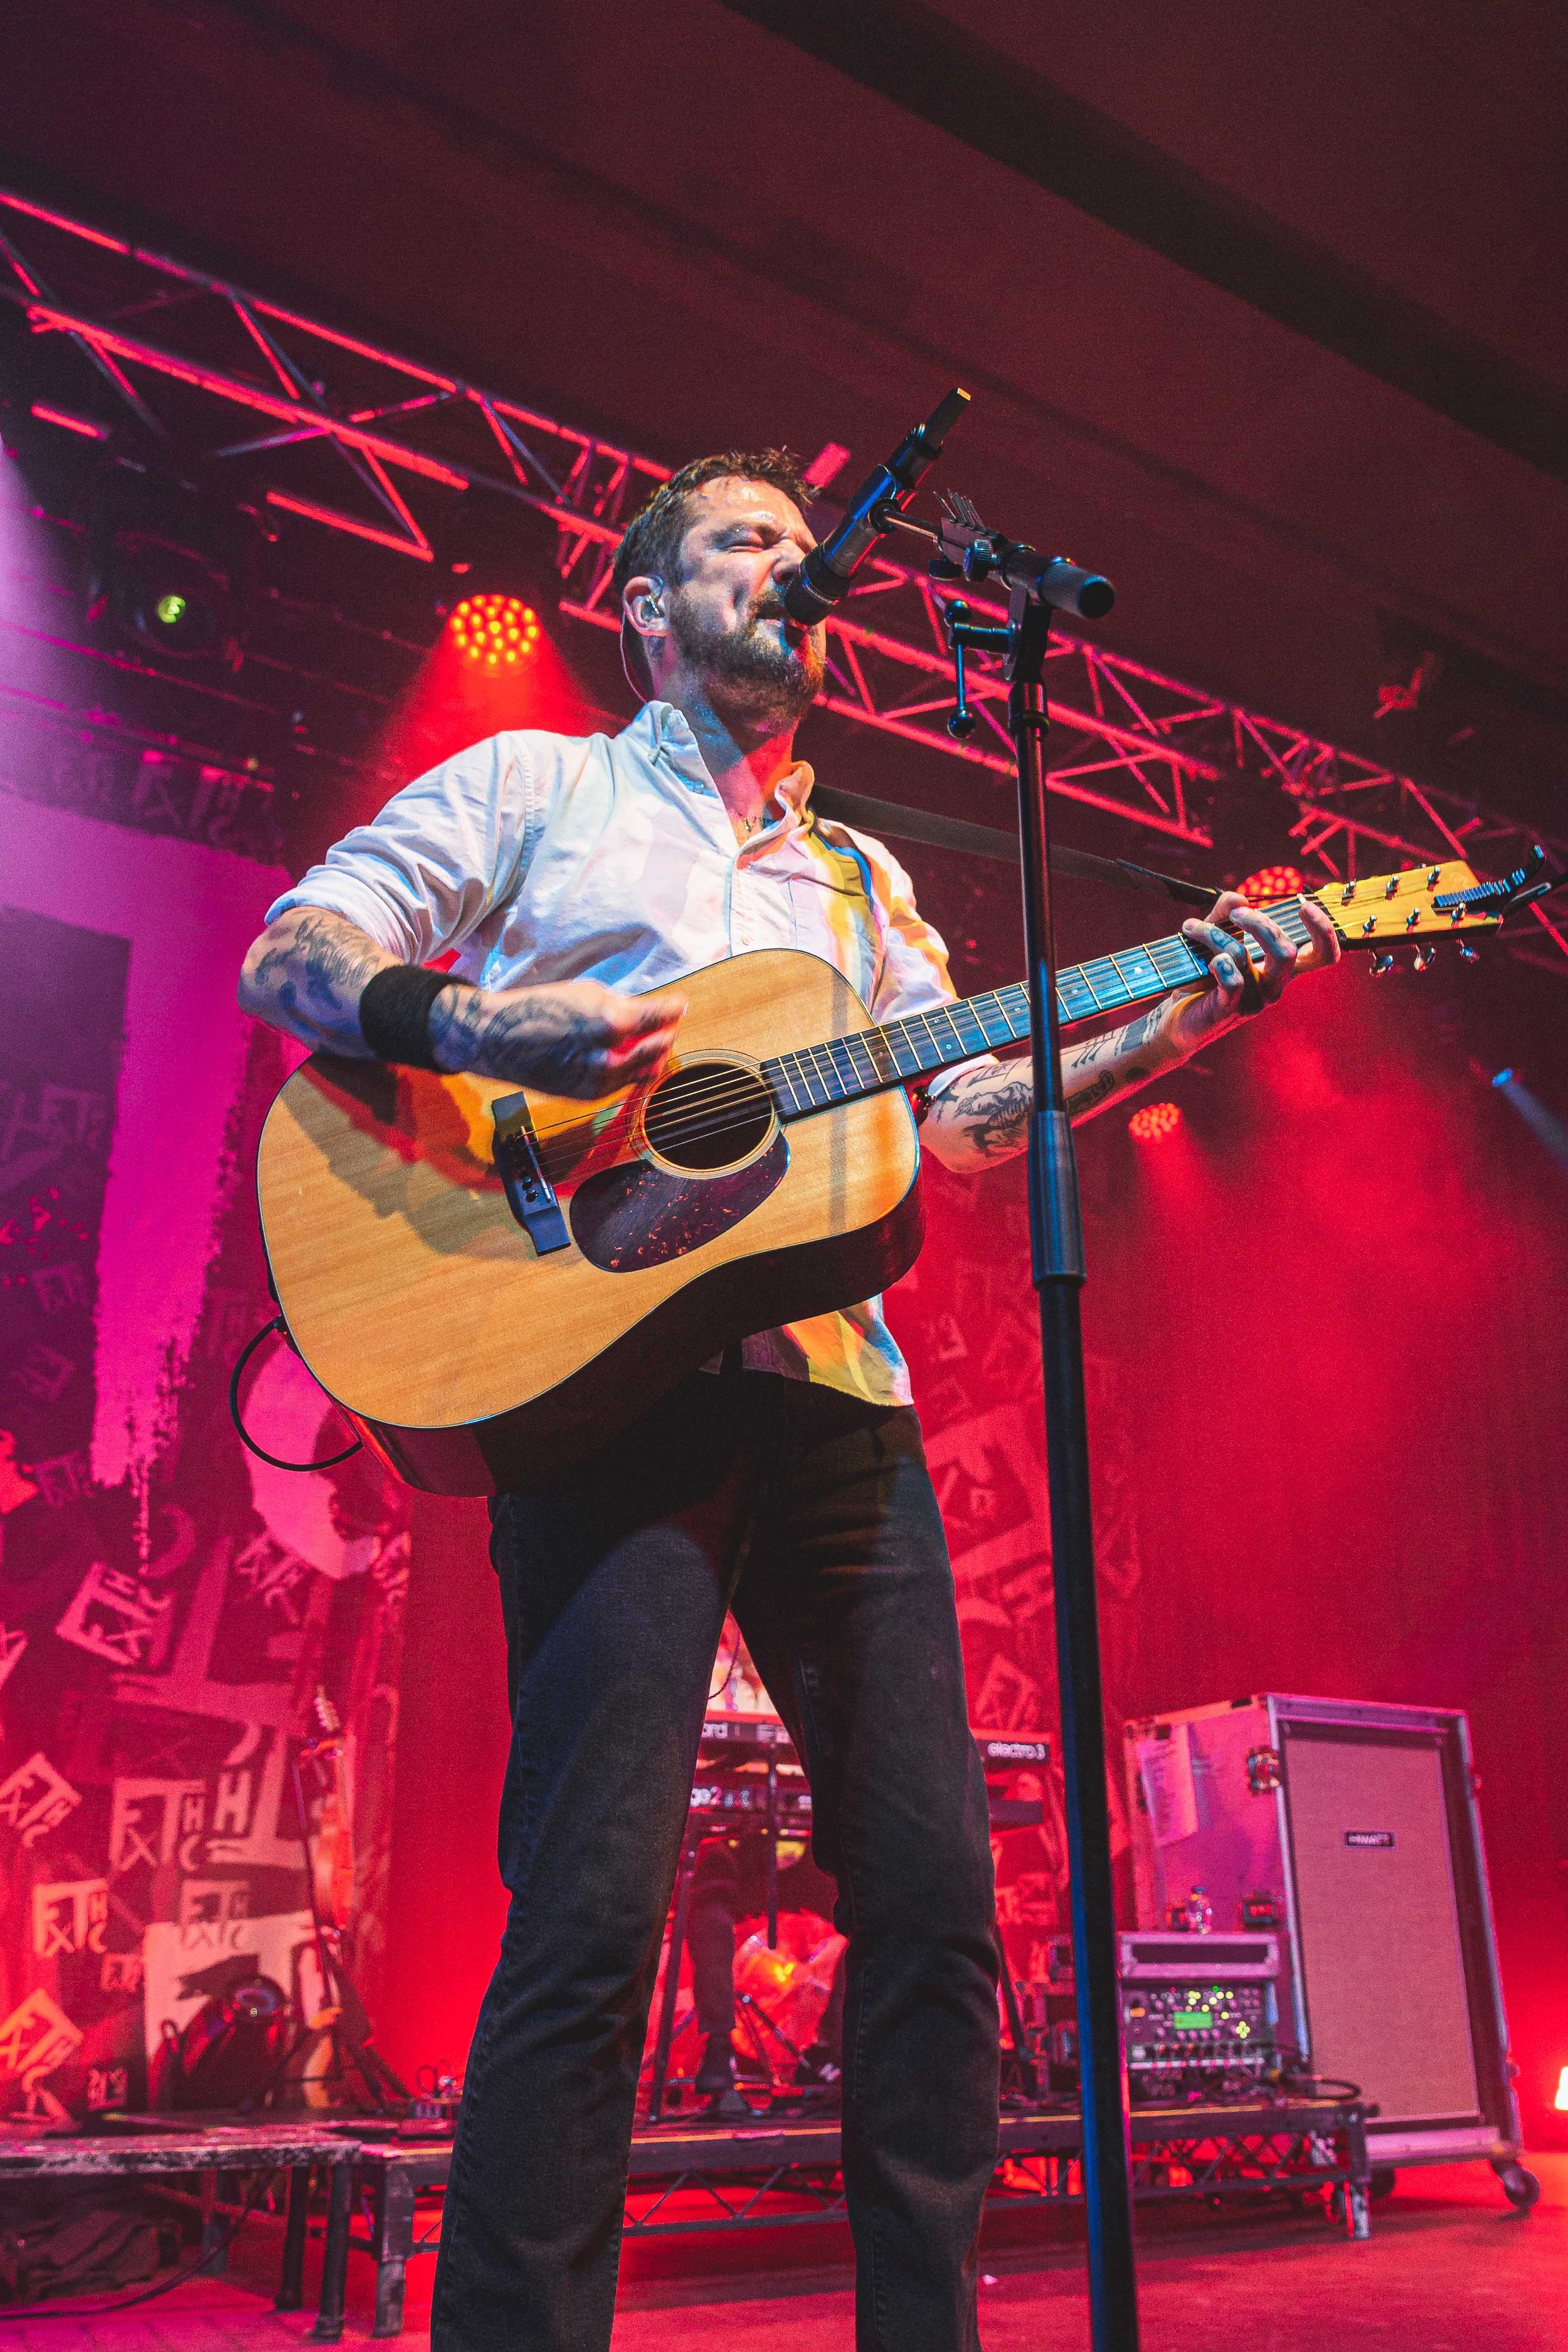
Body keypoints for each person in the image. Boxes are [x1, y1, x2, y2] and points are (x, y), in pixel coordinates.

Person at [238, 448, 1338, 2351]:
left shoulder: (861, 880)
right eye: (739, 542)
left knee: (931, 1911)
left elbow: (962, 1123)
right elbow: (295, 956)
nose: (786, 567)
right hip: (597, 1397)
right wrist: (483, 1023)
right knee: (584, 1914)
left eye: (790, 542)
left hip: (839, 1404)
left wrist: (1191, 1010)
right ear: (645, 608)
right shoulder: (539, 785)